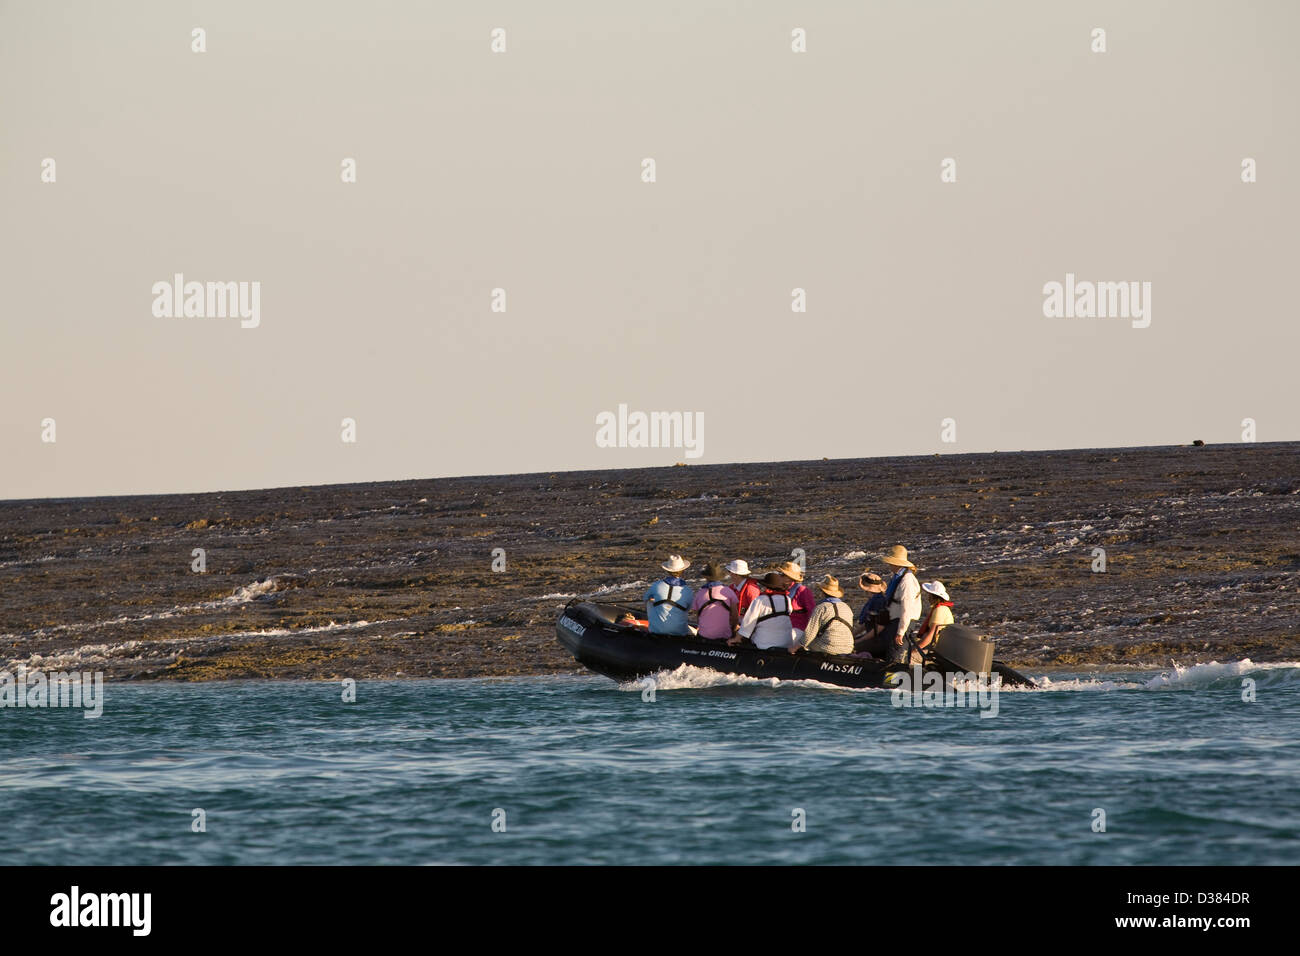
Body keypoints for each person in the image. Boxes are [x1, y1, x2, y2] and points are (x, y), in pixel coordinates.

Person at [879, 545, 922, 663]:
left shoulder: (906, 581)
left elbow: (906, 609)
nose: (889, 565)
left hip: (901, 623)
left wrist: (900, 632)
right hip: (896, 621)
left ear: (896, 563)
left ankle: (895, 678)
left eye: (891, 562)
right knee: (892, 653)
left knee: (896, 656)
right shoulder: (899, 577)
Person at [734, 572, 796, 650]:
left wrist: (737, 638)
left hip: (764, 644)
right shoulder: (787, 599)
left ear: (766, 587)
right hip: (787, 643)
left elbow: (747, 624)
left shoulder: (760, 600)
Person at [795, 575, 856, 655]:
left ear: (822, 592)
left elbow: (809, 634)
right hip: (848, 648)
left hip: (828, 647)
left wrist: (795, 648)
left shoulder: (821, 608)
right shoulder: (846, 607)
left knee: (808, 645)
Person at [641, 555, 694, 636]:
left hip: (657, 630)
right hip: (680, 632)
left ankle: (655, 626)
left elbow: (645, 598)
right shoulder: (688, 591)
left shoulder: (656, 585)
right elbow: (689, 608)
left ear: (667, 571)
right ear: (683, 571)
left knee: (649, 601)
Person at [691, 562, 740, 641]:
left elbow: (698, 617)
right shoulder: (728, 591)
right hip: (725, 636)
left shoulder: (700, 593)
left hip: (704, 635)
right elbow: (735, 617)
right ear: (720, 577)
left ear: (706, 577)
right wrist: (733, 630)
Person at [910, 581, 955, 664]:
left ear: (933, 597)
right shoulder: (942, 609)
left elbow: (931, 636)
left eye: (929, 595)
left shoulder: (939, 610)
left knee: (909, 658)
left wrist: (914, 650)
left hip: (938, 652)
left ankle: (916, 676)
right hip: (941, 649)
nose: (928, 597)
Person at [776, 560, 816, 645]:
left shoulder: (802, 591)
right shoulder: (782, 590)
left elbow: (812, 613)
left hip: (798, 629)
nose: (779, 576)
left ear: (790, 578)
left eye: (782, 575)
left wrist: (809, 635)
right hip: (785, 626)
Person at [853, 571, 888, 651]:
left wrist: (861, 640)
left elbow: (880, 626)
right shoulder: (877, 599)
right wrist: (852, 635)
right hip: (875, 636)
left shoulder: (878, 601)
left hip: (878, 639)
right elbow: (867, 623)